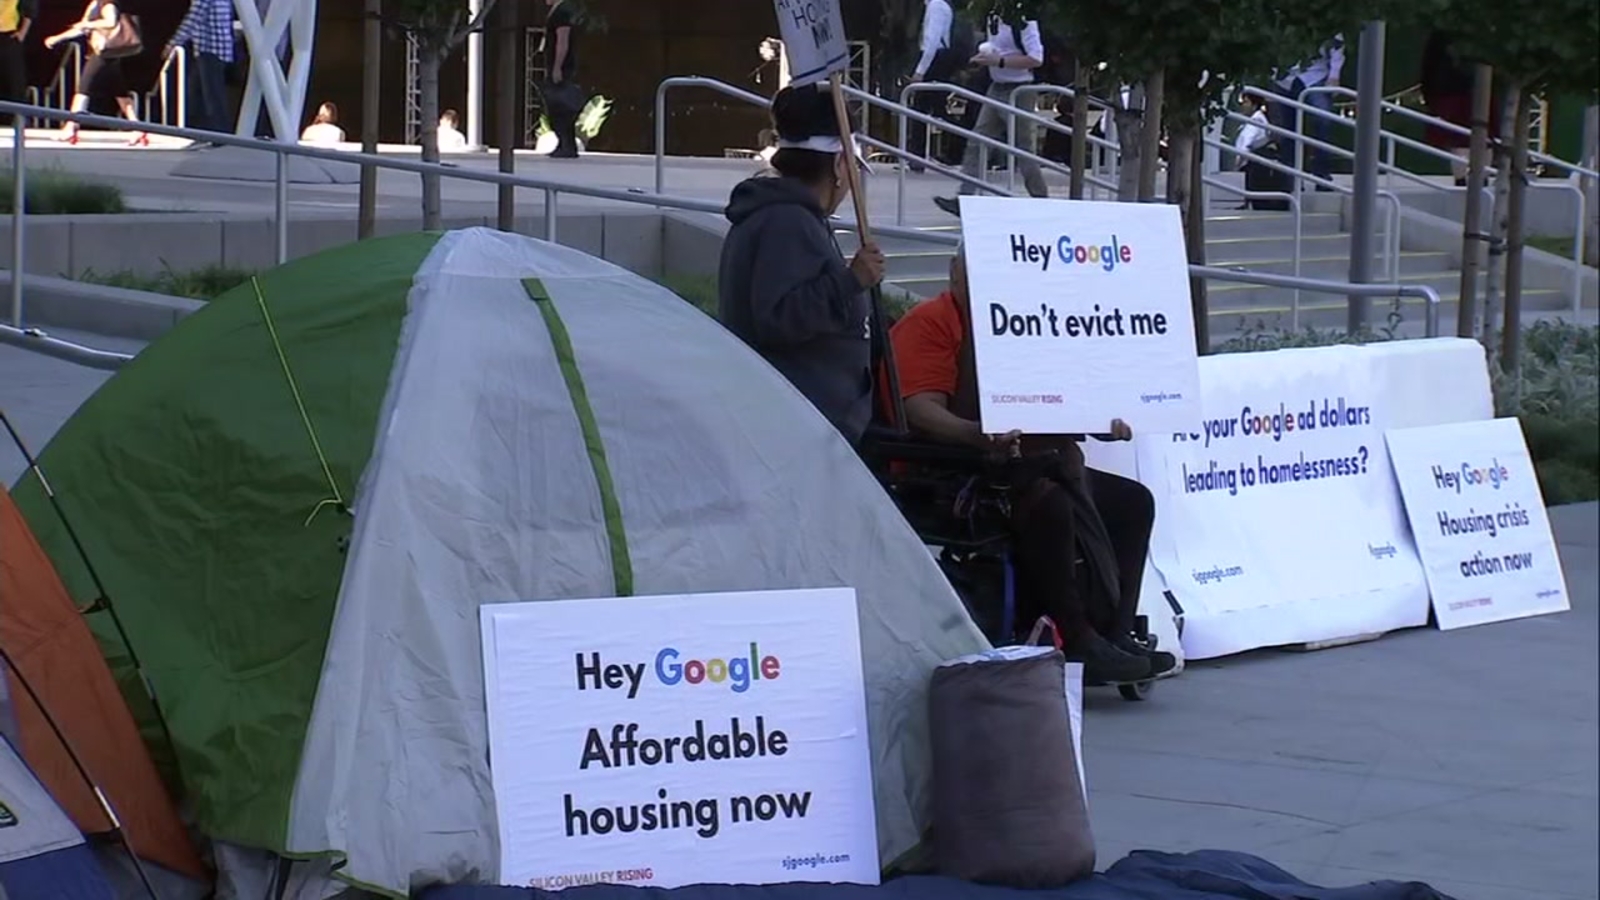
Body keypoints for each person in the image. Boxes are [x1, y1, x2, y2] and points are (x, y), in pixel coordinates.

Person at [882, 245, 1176, 683]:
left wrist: (1103, 420)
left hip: (1033, 459)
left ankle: (1114, 632)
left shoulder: (1024, 326)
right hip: (958, 469)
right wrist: (975, 433)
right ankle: (1076, 637)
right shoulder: (932, 323)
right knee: (1048, 503)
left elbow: (1061, 400)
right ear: (954, 274)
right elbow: (920, 408)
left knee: (1132, 502)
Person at [718, 85, 885, 448]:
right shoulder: (786, 222)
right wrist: (850, 282)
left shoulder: (794, 218)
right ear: (841, 165)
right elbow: (778, 318)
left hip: (806, 420)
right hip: (797, 427)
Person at [933, 16, 1049, 216]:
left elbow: (1036, 58)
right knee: (978, 141)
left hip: (1020, 90)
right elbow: (999, 50)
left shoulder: (1022, 20)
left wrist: (999, 61)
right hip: (997, 86)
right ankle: (965, 198)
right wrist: (984, 60)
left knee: (1023, 150)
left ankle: (1042, 200)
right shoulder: (993, 17)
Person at [43, 1, 146, 146]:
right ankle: (138, 128)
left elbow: (110, 22)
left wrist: (88, 25)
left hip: (103, 53)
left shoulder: (107, 4)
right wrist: (59, 37)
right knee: (120, 93)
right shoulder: (94, 4)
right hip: (107, 53)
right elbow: (82, 27)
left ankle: (71, 127)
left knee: (83, 89)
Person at [1420, 30, 1497, 186]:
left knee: (1462, 140)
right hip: (1474, 88)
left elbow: (1428, 65)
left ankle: (1463, 180)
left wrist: (1429, 94)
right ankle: (1478, 179)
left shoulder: (1441, 35)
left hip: (1450, 90)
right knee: (1479, 138)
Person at [1271, 34, 1344, 187]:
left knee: (1323, 121)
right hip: (1284, 78)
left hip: (1315, 75)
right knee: (1288, 128)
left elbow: (1337, 43)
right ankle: (1291, 176)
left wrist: (1334, 74)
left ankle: (1321, 173)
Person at [165, 0, 235, 141]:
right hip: (220, 48)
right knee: (198, 94)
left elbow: (193, 19)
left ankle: (220, 136)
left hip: (209, 49)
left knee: (212, 99)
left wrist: (173, 43)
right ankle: (202, 133)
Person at [905, 0, 953, 171]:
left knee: (921, 109)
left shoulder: (936, 6)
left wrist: (920, 71)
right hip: (936, 57)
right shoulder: (935, 6)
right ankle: (920, 156)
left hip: (934, 59)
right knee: (933, 107)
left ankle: (918, 157)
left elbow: (932, 41)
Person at [542, 0, 581, 158]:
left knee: (560, 105)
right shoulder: (557, 10)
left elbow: (562, 41)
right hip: (555, 64)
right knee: (556, 105)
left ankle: (566, 143)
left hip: (562, 67)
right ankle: (564, 142)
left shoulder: (562, 12)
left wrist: (557, 66)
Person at [0, 0, 34, 127]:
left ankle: (19, 120)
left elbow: (29, 9)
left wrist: (22, 33)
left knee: (15, 80)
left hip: (8, 35)